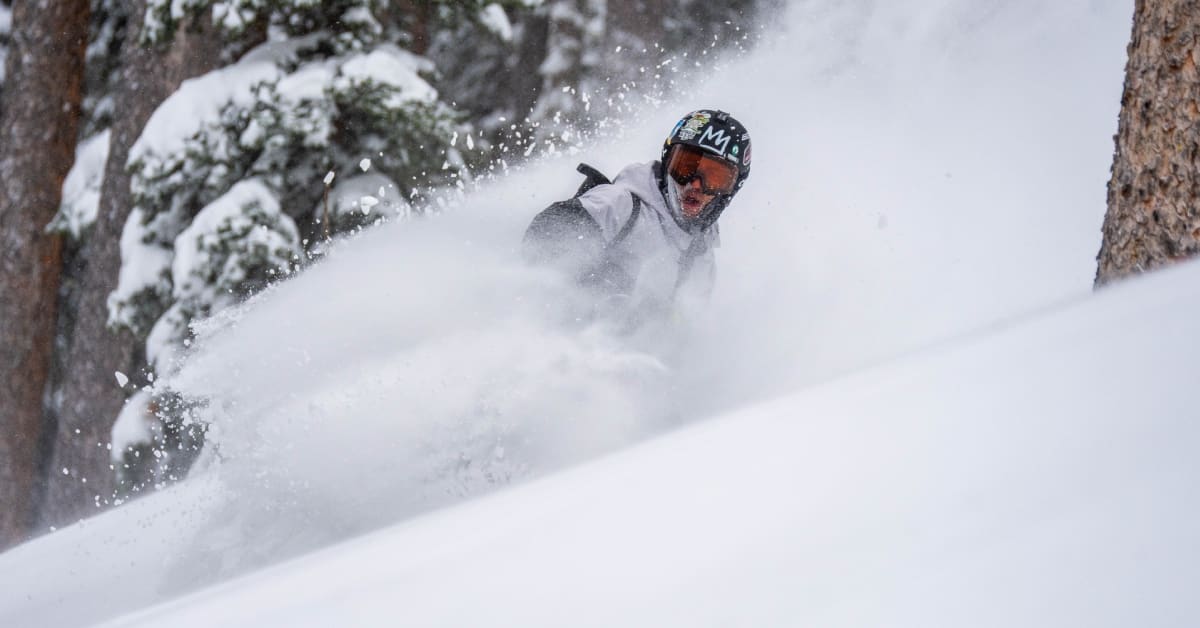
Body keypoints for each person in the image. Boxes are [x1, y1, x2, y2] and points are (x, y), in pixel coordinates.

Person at [523, 109, 752, 330]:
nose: (695, 185)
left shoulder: (701, 254)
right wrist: (589, 285)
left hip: (625, 359)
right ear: (667, 161)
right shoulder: (622, 204)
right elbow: (545, 236)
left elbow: (690, 326)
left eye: (715, 178)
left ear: (732, 189)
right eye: (686, 167)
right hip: (565, 335)